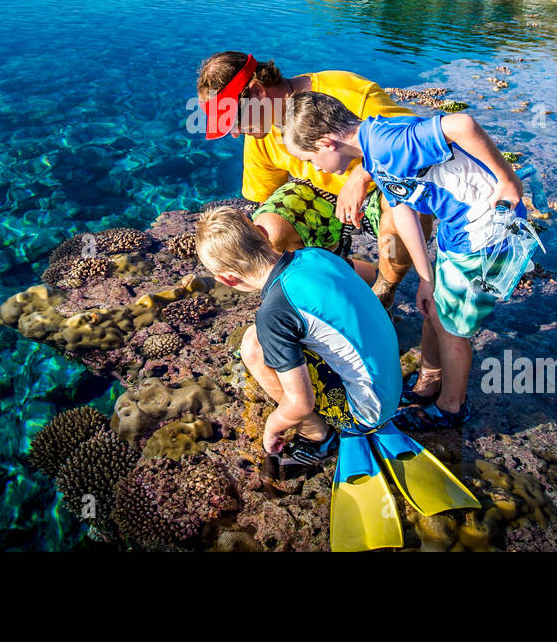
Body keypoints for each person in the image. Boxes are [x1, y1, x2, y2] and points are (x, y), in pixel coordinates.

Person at [194, 206, 479, 551]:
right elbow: (358, 282)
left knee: (253, 346)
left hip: (366, 412)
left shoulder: (274, 312)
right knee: (290, 334)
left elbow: (300, 403)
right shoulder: (313, 255)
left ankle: (319, 435)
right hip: (389, 382)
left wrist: (272, 427)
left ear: (227, 278)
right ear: (263, 233)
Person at [280, 90, 527, 430]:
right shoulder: (371, 150)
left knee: (453, 329)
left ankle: (452, 408)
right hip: (458, 227)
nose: (311, 167)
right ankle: (430, 383)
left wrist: (508, 179)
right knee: (434, 309)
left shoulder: (386, 142)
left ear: (326, 143)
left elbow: (461, 124)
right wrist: (425, 278)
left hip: (486, 232)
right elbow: (403, 209)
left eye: (308, 159)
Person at [194, 51, 432, 308]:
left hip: (378, 187)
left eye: (234, 120)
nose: (235, 132)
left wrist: (361, 177)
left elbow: (413, 142)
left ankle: (384, 292)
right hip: (321, 195)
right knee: (267, 233)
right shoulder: (259, 134)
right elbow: (261, 200)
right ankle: (335, 277)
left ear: (258, 92)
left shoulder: (345, 91)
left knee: (407, 204)